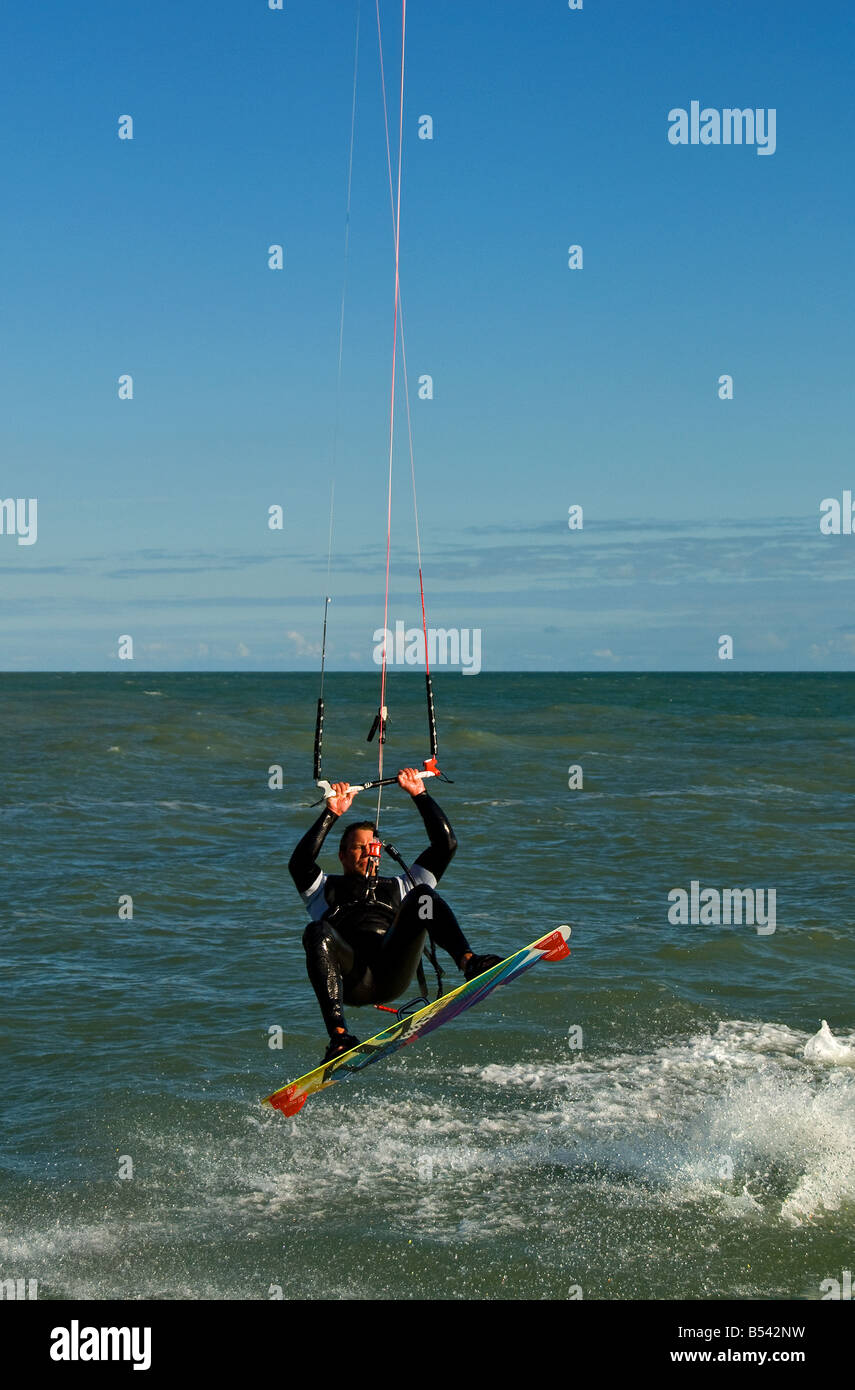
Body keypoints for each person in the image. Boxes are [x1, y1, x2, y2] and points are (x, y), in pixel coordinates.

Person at [289, 766, 502, 1061]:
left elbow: (445, 845)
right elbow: (299, 863)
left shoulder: (402, 884)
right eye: (357, 848)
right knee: (317, 932)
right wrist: (332, 813)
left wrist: (419, 793)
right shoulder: (322, 889)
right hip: (351, 978)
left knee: (423, 895)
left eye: (370, 847)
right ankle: (339, 1038)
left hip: (393, 971)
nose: (366, 852)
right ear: (342, 855)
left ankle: (469, 962)